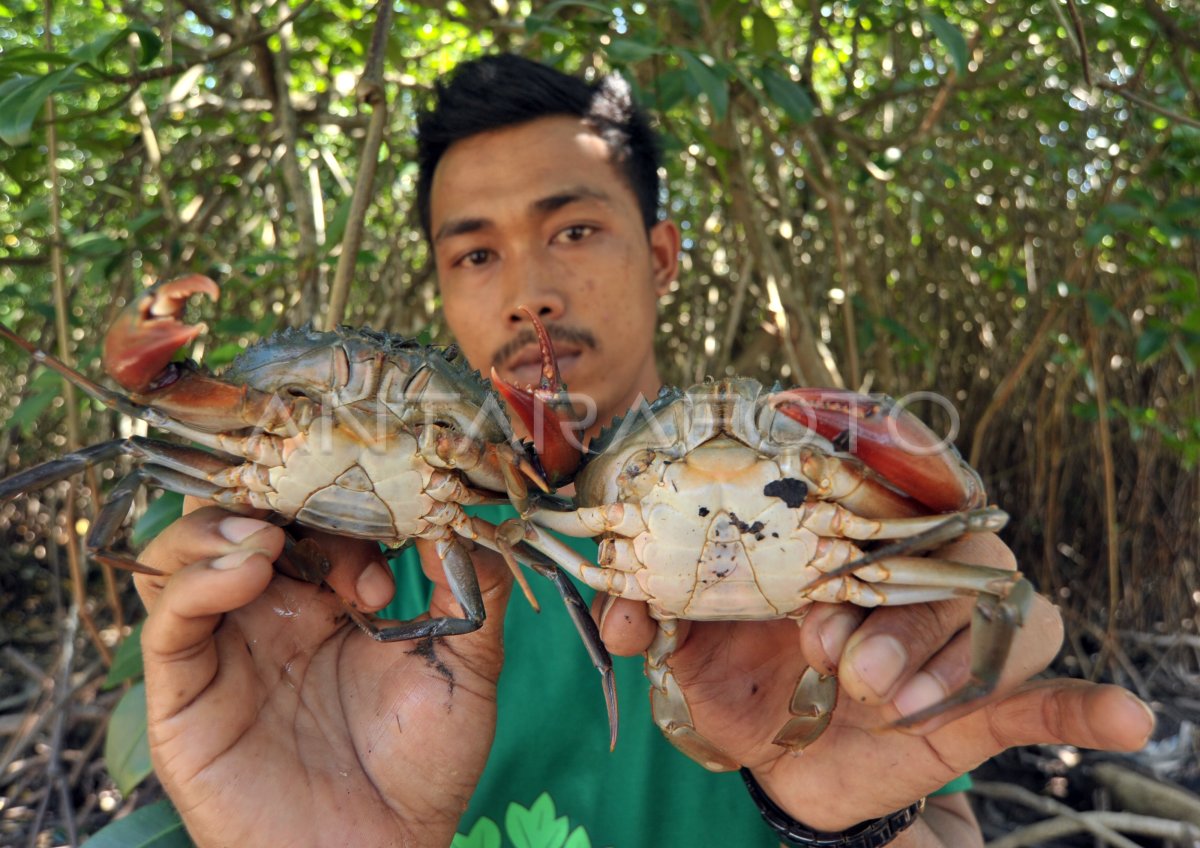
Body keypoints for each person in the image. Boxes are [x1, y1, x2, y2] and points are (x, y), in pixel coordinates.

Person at [132, 54, 1155, 847]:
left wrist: (847, 823)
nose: (528, 287)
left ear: (662, 254)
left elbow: (943, 784)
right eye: (477, 251)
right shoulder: (273, 560)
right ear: (441, 285)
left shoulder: (841, 570)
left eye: (572, 229)